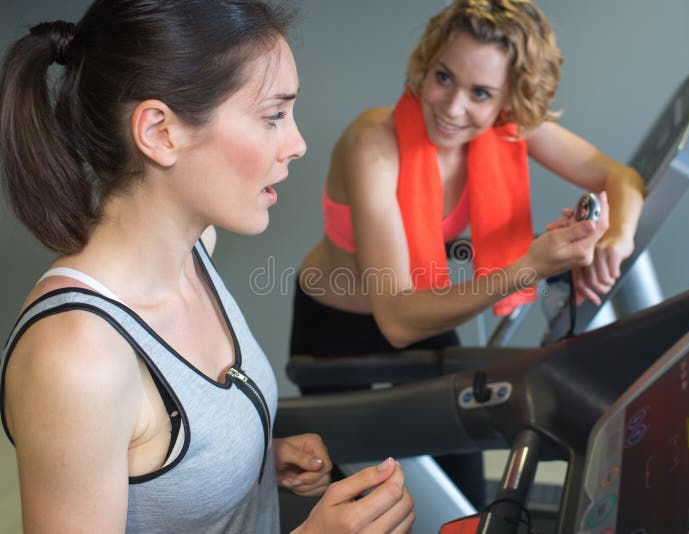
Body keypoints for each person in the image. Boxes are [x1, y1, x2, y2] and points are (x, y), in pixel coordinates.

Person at [0, 1, 414, 533]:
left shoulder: (196, 250)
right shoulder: (77, 359)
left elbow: (151, 461)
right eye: (273, 116)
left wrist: (250, 462)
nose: (298, 144)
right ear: (160, 133)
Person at [290, 0, 645, 508]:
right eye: (443, 77)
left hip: (429, 306)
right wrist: (531, 267)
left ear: (509, 99)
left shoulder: (508, 125)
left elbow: (622, 178)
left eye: (480, 92)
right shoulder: (373, 141)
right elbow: (396, 320)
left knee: (466, 490)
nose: (454, 107)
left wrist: (616, 238)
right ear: (427, 60)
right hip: (340, 330)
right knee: (366, 504)